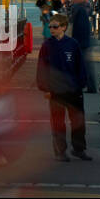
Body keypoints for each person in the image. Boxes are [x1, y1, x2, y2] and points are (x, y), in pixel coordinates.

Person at [35, 13, 91, 162]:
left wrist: (81, 83)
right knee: (58, 122)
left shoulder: (73, 44)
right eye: (50, 27)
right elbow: (42, 68)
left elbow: (80, 66)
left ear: (64, 27)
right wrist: (44, 88)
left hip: (73, 89)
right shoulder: (47, 46)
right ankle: (60, 151)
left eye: (55, 26)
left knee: (78, 121)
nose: (52, 29)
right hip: (55, 90)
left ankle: (79, 149)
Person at [68, 0, 96, 93]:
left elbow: (75, 24)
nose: (73, 0)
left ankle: (86, 86)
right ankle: (87, 85)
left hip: (80, 41)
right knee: (84, 64)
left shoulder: (78, 9)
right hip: (84, 40)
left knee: (84, 65)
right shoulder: (83, 9)